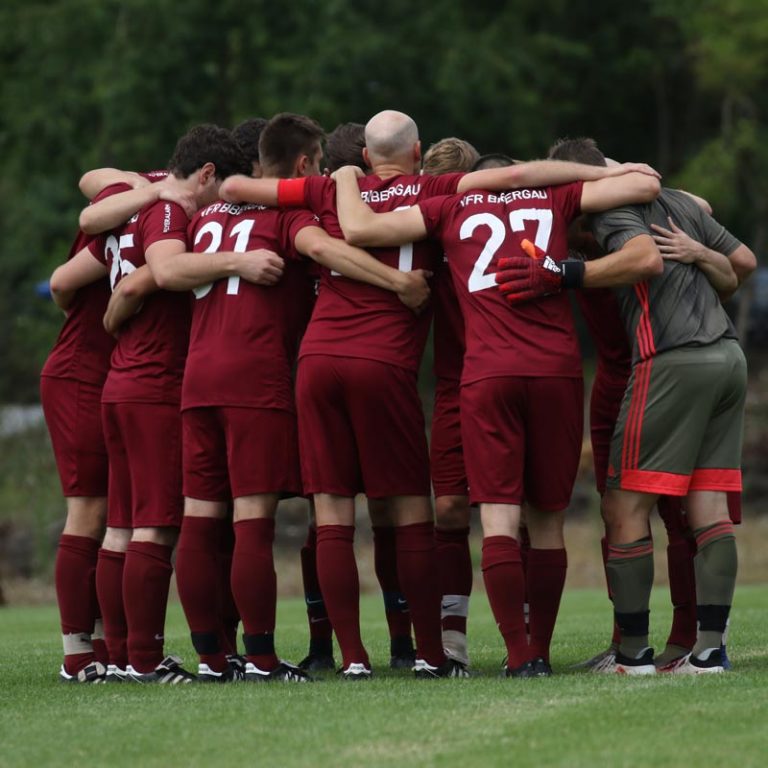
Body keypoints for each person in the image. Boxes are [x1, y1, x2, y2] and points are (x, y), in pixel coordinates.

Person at [332, 157, 660, 676]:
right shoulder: (556, 198)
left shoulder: (450, 205)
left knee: (499, 520)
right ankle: (542, 653)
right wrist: (604, 168)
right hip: (555, 372)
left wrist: (346, 176)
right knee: (547, 522)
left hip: (487, 375)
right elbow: (646, 184)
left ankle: (518, 654)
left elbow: (360, 228)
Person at [160, 112, 431, 683]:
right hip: (256, 377)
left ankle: (212, 657)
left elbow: (162, 271)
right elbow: (329, 251)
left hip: (197, 376)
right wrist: (397, 283)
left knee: (202, 521)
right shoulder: (287, 217)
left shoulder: (205, 214)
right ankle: (260, 656)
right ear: (307, 165)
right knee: (255, 521)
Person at [497, 137, 755, 674]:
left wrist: (565, 272)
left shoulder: (613, 206)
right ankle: (709, 653)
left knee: (622, 506)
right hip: (728, 358)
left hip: (670, 360)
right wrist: (703, 254)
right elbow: (742, 262)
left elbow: (641, 260)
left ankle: (633, 654)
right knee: (706, 509)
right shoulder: (681, 203)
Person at [50, 124, 250, 683]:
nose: (227, 202)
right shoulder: (169, 210)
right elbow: (152, 274)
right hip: (152, 382)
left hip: (122, 380)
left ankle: (114, 656)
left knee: (121, 524)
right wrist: (238, 263)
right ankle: (141, 659)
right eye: (225, 187)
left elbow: (92, 208)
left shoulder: (144, 196)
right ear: (207, 174)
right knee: (153, 526)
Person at [421, 137, 479, 665]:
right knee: (449, 508)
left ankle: (527, 640)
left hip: (502, 374)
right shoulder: (420, 231)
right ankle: (451, 636)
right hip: (453, 387)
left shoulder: (492, 222)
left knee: (517, 510)